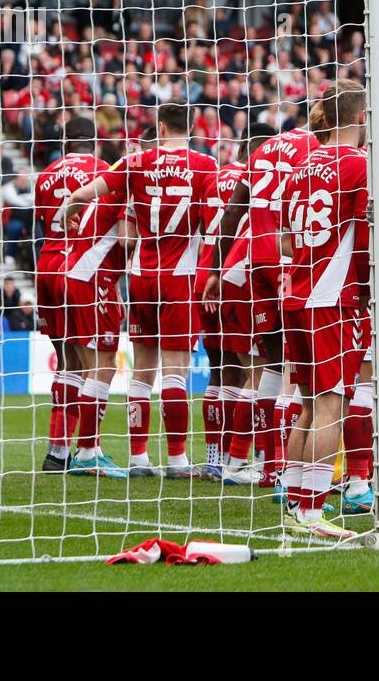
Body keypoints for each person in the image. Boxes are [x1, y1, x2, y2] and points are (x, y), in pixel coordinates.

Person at [62, 103, 218, 481]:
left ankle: (138, 459)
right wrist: (211, 272)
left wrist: (73, 200)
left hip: (140, 275)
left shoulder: (138, 161)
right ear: (192, 127)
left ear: (161, 126)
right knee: (175, 374)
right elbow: (214, 226)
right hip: (180, 275)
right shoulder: (205, 165)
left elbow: (99, 188)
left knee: (141, 373)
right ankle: (178, 461)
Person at [280, 82, 371, 539]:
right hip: (333, 297)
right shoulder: (358, 164)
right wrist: (369, 292)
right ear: (360, 117)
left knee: (309, 404)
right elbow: (364, 238)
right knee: (333, 403)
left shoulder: (298, 166)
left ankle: (297, 502)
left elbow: (283, 232)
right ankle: (313, 513)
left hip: (297, 292)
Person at [32, 116, 126, 478]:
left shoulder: (46, 175)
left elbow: (44, 221)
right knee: (94, 365)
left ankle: (57, 452)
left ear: (63, 142)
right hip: (83, 269)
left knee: (67, 361)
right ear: (95, 141)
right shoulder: (104, 170)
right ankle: (90, 448)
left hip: (48, 267)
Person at [198, 123, 276, 484]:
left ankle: (217, 457)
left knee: (219, 370)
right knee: (256, 372)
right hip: (246, 269)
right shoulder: (266, 176)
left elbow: (204, 224)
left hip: (209, 270)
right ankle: (247, 459)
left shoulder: (213, 178)